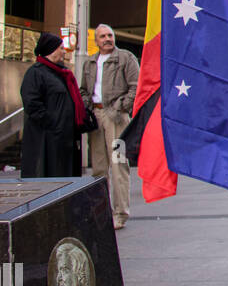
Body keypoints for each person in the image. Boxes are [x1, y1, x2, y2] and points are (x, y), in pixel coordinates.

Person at [79, 24, 140, 230]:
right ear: (96, 41)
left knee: (118, 166)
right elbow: (83, 89)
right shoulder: (89, 62)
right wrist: (88, 105)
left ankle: (120, 213)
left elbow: (135, 85)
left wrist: (121, 106)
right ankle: (101, 212)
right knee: (98, 169)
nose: (107, 39)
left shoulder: (126, 58)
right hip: (96, 117)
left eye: (110, 35)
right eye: (102, 36)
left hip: (117, 118)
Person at [21, 33, 85, 178]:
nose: (64, 52)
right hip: (47, 139)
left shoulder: (62, 74)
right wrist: (52, 123)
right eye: (61, 48)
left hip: (64, 137)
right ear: (52, 50)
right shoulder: (36, 73)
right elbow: (31, 103)